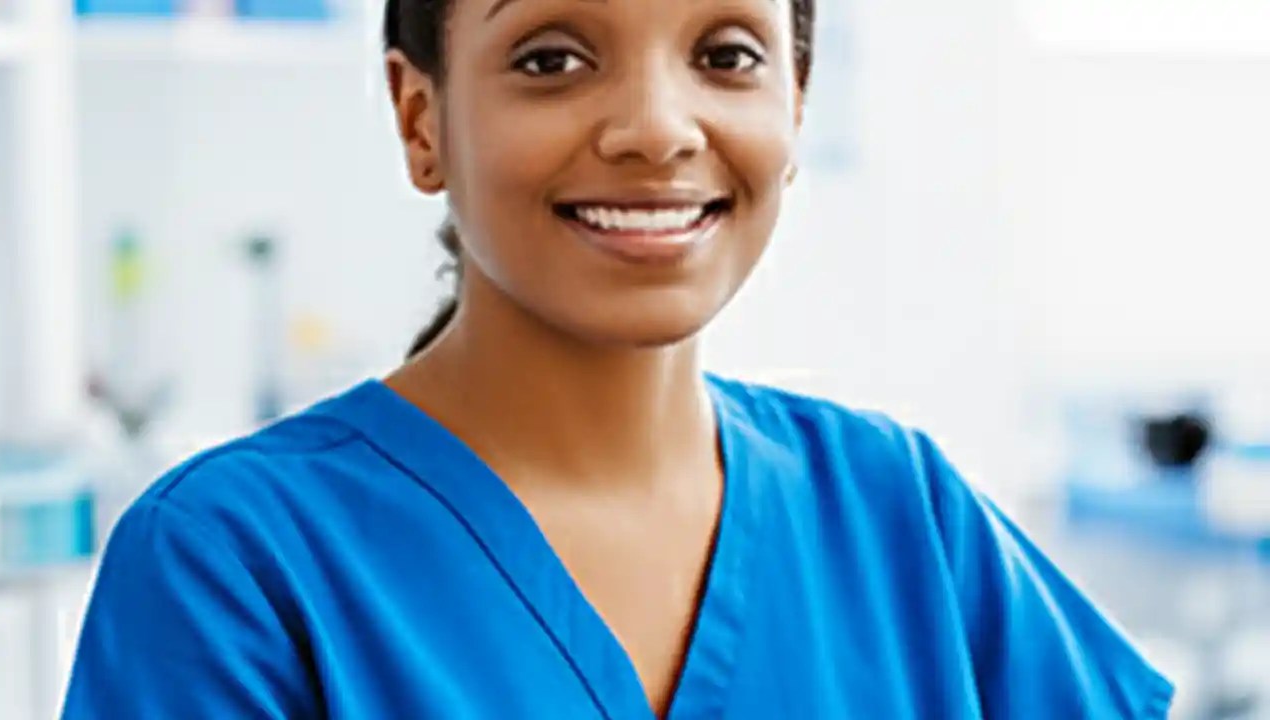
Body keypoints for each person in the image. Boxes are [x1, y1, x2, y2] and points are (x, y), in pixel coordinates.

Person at [60, 0, 1175, 717]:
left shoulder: (901, 514)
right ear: (419, 120)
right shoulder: (234, 565)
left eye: (725, 54)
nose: (655, 127)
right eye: (551, 58)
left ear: (792, 102)